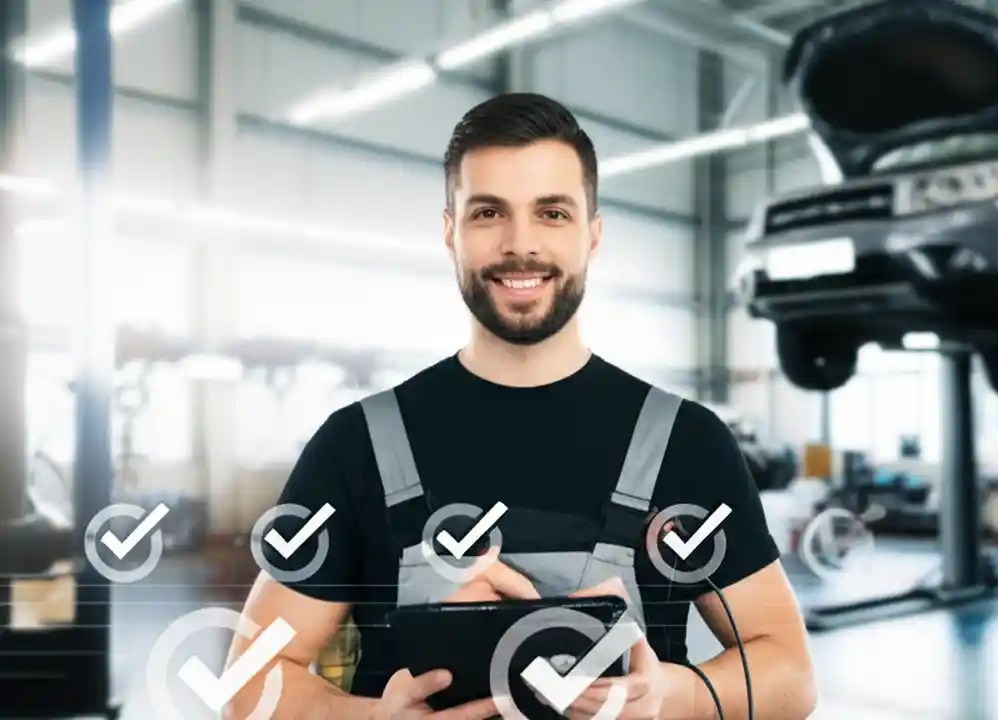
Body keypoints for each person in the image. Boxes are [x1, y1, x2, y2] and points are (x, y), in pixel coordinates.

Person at [223, 92, 817, 720]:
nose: (520, 244)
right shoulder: (356, 446)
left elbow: (790, 673)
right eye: (488, 212)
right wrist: (371, 719)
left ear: (593, 234)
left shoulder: (687, 443)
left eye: (552, 213)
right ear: (451, 231)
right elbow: (247, 684)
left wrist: (676, 695)